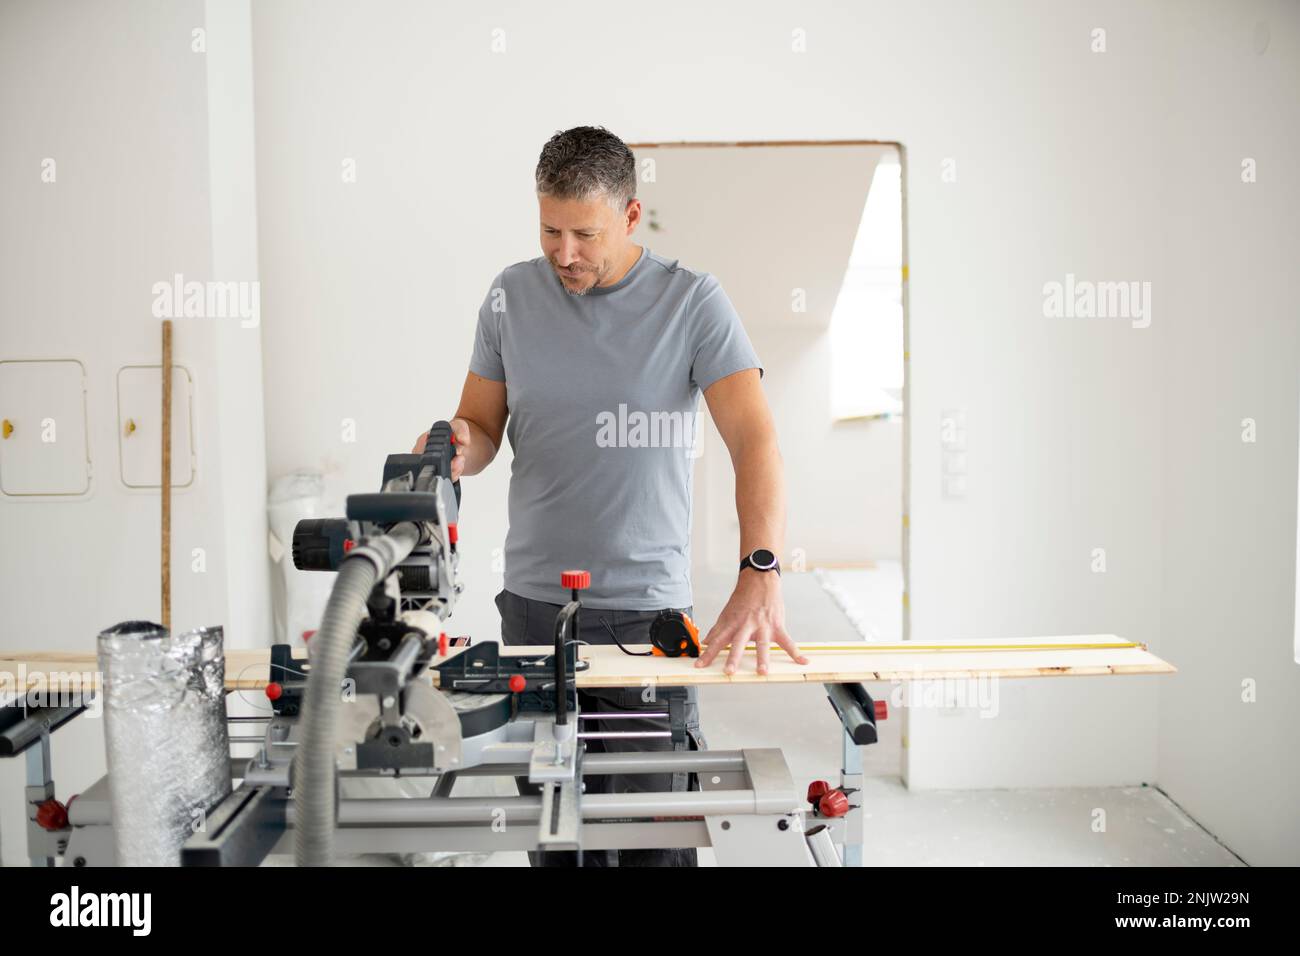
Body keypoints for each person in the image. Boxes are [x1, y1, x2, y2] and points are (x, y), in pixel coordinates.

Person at [414, 125, 807, 866]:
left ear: (630, 216)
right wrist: (458, 443)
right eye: (550, 229)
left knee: (653, 835)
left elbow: (755, 441)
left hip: (642, 613)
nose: (564, 253)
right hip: (534, 609)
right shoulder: (509, 296)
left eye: (584, 233)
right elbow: (484, 426)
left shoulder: (692, 302)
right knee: (556, 833)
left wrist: (762, 568)